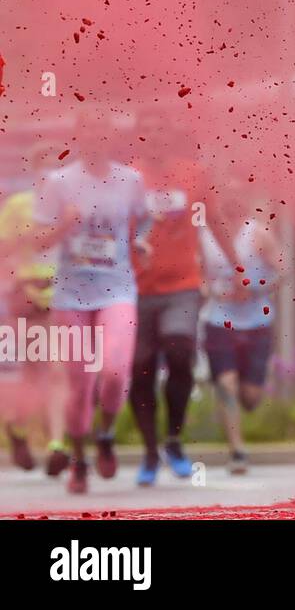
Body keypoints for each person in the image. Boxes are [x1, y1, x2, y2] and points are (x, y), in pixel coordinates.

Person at [33, 109, 152, 494]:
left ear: (112, 140)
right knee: (79, 381)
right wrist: (64, 226)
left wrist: (139, 242)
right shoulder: (58, 182)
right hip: (71, 293)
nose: (96, 141)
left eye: (103, 133)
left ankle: (105, 433)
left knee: (116, 371)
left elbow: (143, 219)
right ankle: (80, 459)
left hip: (117, 288)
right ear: (78, 139)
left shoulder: (130, 180)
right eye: (88, 133)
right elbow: (39, 240)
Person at [128, 111, 223, 486]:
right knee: (140, 368)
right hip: (134, 288)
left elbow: (214, 220)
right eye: (146, 131)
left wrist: (237, 266)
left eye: (160, 131)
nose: (153, 138)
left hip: (183, 283)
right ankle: (151, 452)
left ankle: (173, 441)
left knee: (180, 351)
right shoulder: (129, 178)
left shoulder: (194, 174)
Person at [199, 191, 280, 475]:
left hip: (257, 321)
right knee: (225, 383)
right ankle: (237, 450)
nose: (232, 203)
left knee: (250, 397)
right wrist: (209, 290)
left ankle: (254, 385)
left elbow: (284, 272)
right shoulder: (205, 236)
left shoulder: (258, 234)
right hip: (219, 320)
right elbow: (197, 276)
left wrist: (254, 288)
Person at [0, 143, 59, 473]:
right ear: (34, 170)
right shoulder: (19, 205)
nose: (50, 173)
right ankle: (25, 430)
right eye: (45, 166)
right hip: (26, 294)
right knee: (37, 371)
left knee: (55, 371)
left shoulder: (73, 205)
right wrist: (20, 282)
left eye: (57, 166)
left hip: (66, 294)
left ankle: (53, 443)